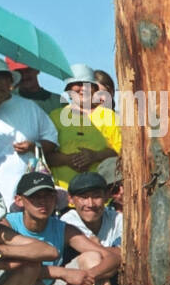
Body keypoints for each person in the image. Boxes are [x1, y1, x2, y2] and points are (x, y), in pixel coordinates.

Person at [5, 171, 121, 285]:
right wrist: (64, 273)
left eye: (48, 196)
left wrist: (88, 275)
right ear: (20, 200)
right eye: (35, 197)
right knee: (28, 273)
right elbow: (5, 269)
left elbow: (112, 258)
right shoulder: (7, 224)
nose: (42, 202)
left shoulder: (63, 228)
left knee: (92, 256)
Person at [0, 58, 60, 204]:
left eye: (4, 78)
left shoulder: (29, 107)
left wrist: (33, 146)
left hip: (26, 192)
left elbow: (52, 139)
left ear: (11, 82)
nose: (0, 83)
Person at [47, 64, 121, 192]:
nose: (83, 88)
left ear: (94, 88)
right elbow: (46, 155)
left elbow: (121, 153)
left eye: (87, 84)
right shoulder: (55, 116)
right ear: (69, 89)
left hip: (102, 194)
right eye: (78, 84)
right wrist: (67, 159)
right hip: (64, 195)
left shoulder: (110, 116)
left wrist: (95, 156)